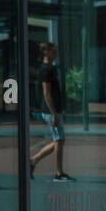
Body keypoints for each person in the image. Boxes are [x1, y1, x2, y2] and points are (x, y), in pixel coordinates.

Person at [29, 42, 74, 181]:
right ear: (46, 52)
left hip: (56, 109)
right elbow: (46, 93)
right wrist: (54, 113)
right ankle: (58, 173)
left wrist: (60, 110)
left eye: (56, 51)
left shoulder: (51, 68)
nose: (56, 54)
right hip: (50, 111)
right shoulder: (45, 70)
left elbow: (56, 91)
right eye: (54, 51)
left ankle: (33, 161)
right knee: (59, 140)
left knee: (59, 140)